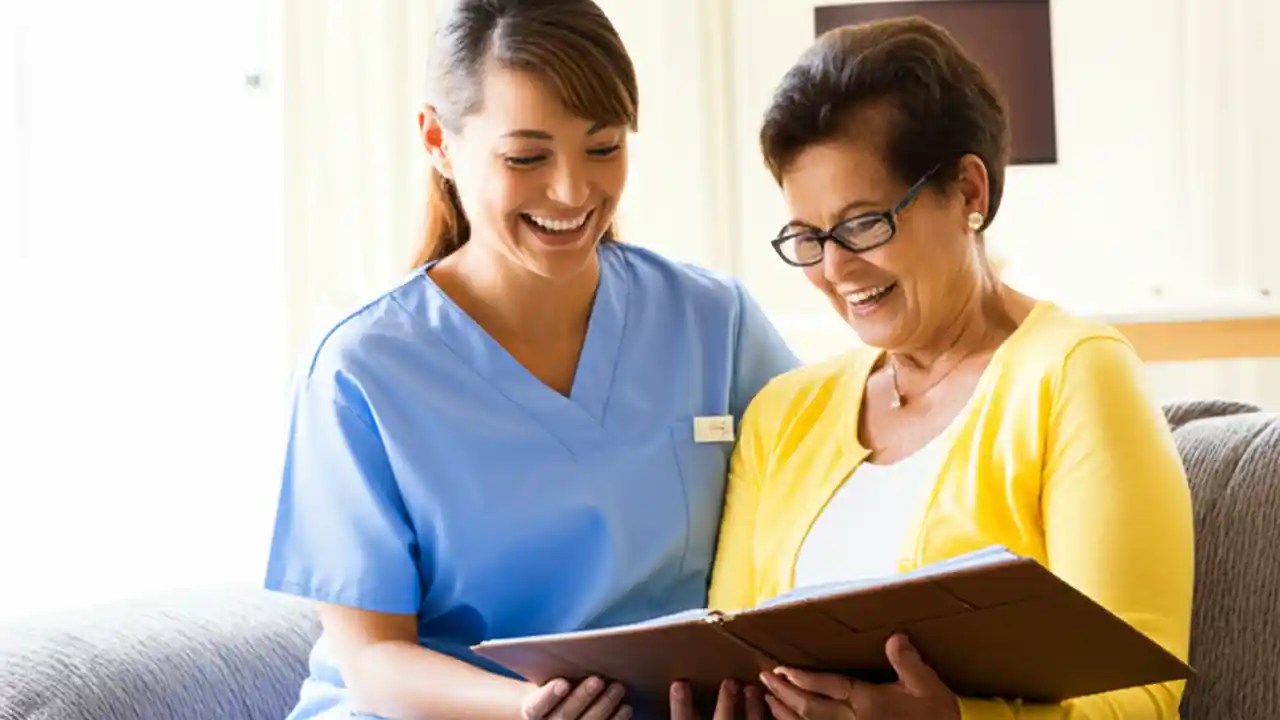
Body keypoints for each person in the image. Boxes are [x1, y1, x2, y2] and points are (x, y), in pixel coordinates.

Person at [263, 1, 798, 718]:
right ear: (437, 141)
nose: (574, 191)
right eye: (526, 157)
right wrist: (527, 709)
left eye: (603, 147)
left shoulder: (713, 322)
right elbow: (373, 661)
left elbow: (828, 511)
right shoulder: (361, 370)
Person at [701, 17, 1194, 720]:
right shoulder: (782, 416)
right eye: (809, 238)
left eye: (864, 223)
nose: (836, 270)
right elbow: (732, 658)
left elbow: (1143, 698)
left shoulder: (1074, 376)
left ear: (968, 192)